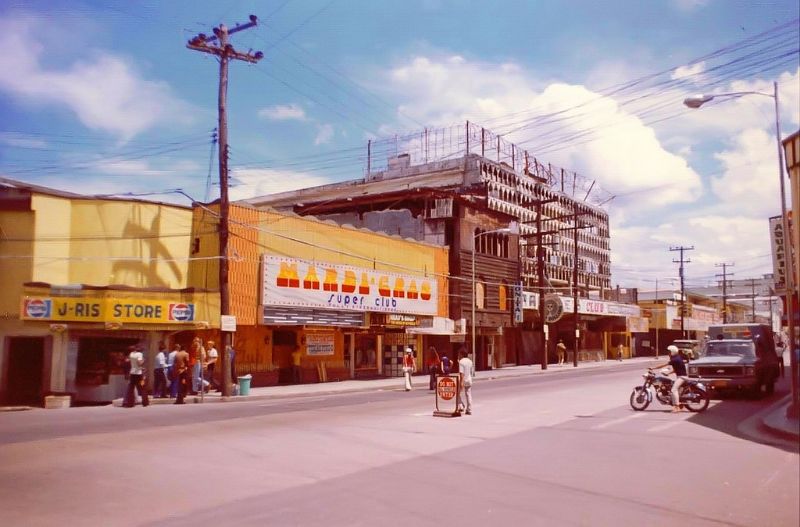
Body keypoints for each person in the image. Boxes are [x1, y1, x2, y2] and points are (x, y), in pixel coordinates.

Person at [651, 344, 687, 413]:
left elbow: (664, 365)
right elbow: (676, 370)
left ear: (672, 352)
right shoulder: (676, 358)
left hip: (682, 377)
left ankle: (677, 407)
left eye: (669, 352)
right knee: (672, 388)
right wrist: (668, 373)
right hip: (681, 376)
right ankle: (681, 405)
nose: (668, 353)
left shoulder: (675, 359)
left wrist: (653, 368)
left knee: (673, 389)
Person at [457, 348, 474, 415]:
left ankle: (461, 406)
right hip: (469, 379)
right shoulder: (470, 361)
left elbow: (461, 373)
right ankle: (469, 409)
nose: (458, 355)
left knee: (457, 394)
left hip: (463, 380)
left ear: (461, 354)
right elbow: (471, 372)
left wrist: (461, 382)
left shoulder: (461, 362)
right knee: (468, 394)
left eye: (459, 354)